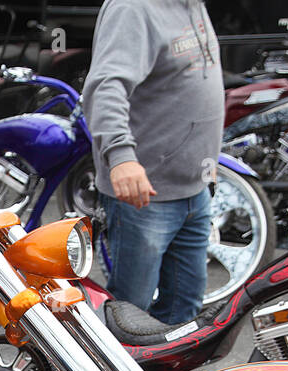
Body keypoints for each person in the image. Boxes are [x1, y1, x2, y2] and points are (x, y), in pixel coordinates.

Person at [82, 0, 224, 326]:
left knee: (183, 310)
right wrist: (120, 157)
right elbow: (106, 87)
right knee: (132, 314)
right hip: (146, 196)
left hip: (194, 190)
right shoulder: (133, 8)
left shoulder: (192, 4)